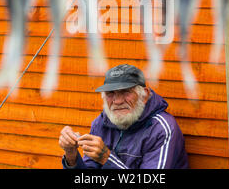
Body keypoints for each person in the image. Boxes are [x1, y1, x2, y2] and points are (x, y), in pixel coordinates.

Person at [59, 64, 189, 169]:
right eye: (110, 93)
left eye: (126, 92)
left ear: (144, 95)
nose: (118, 101)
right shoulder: (101, 123)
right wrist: (71, 156)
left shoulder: (161, 129)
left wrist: (106, 159)